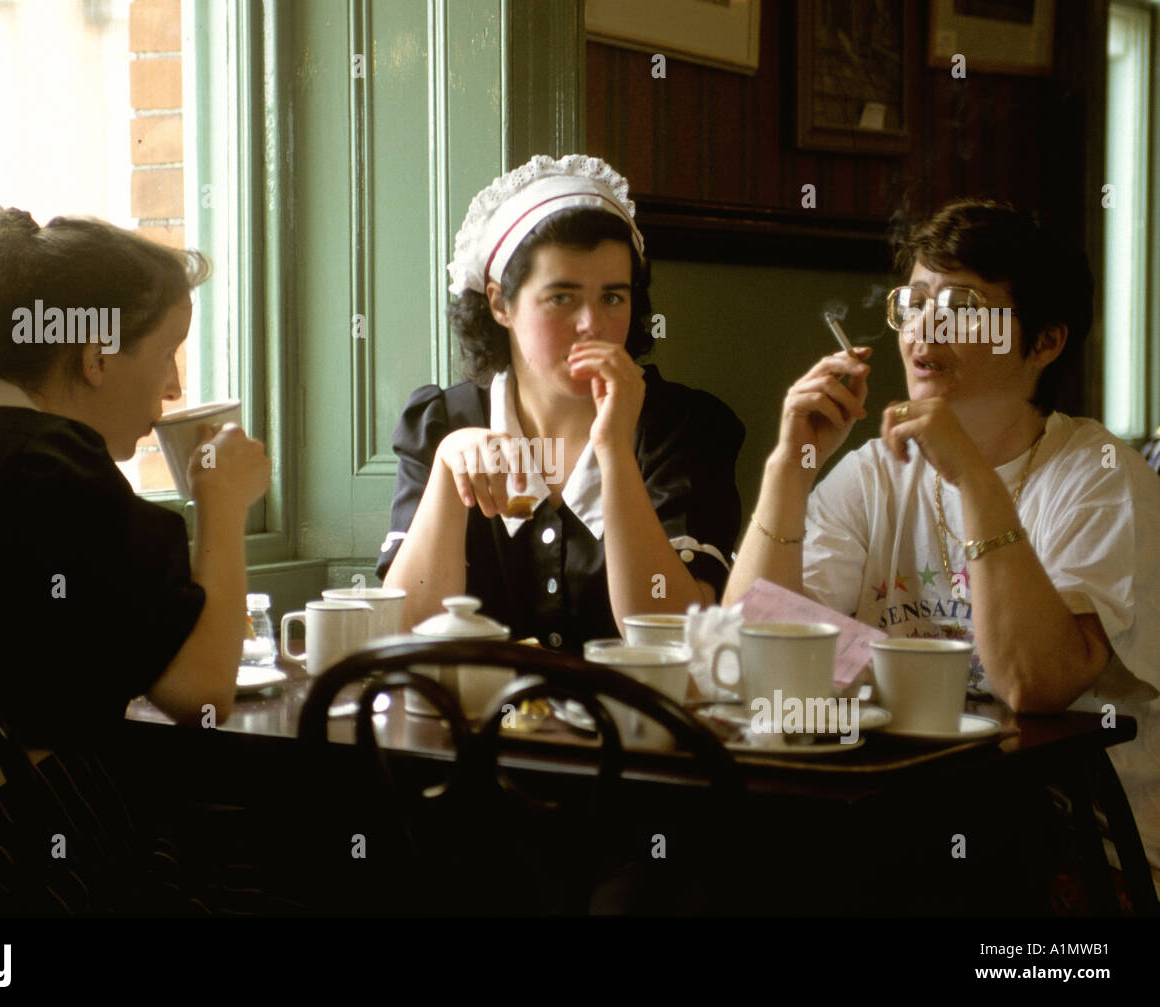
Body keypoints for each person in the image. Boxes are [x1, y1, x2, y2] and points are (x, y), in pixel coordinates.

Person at [724, 198, 1160, 894]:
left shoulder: (1100, 477)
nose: (926, 327)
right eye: (916, 301)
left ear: (1045, 342)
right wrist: (790, 465)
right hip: (906, 811)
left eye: (961, 305)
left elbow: (1034, 684)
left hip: (1082, 844)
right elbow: (750, 648)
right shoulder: (874, 472)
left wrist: (973, 477)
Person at [0, 199, 272, 911]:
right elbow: (201, 692)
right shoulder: (60, 474)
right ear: (97, 355)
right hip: (26, 865)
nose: (174, 385)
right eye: (166, 351)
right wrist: (223, 506)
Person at [378, 155, 744, 651]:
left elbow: (680, 639)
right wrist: (447, 473)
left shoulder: (683, 428)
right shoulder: (443, 423)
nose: (591, 323)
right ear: (499, 303)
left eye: (613, 297)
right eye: (562, 298)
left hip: (635, 727)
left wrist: (614, 450)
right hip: (473, 724)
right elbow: (405, 636)